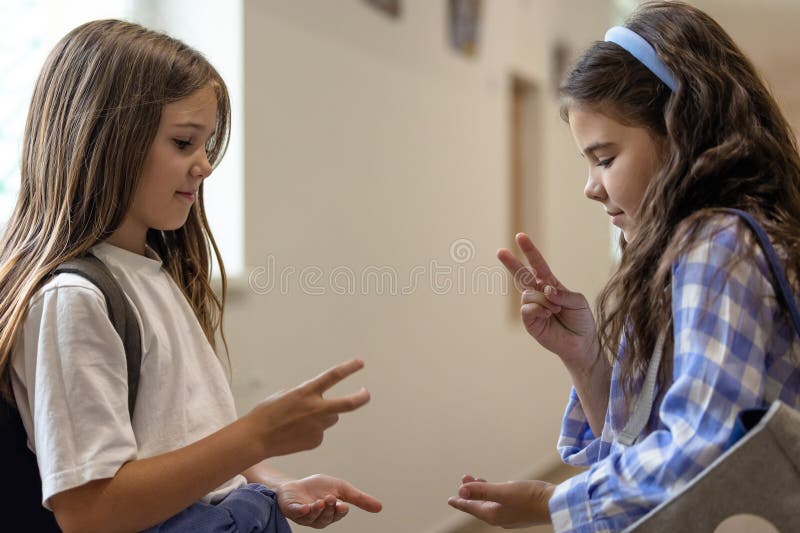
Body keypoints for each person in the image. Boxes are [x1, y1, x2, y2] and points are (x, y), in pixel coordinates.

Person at [0, 19, 382, 532]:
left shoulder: (152, 273)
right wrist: (257, 435)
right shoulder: (74, 299)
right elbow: (89, 512)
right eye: (183, 143)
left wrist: (270, 481)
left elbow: (184, 440)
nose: (203, 166)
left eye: (205, 146)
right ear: (104, 140)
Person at [447, 1, 800, 531]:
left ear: (682, 130)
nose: (591, 187)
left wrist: (552, 502)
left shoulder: (716, 242)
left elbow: (700, 452)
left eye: (605, 158)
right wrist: (587, 359)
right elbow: (638, 450)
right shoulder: (680, 251)